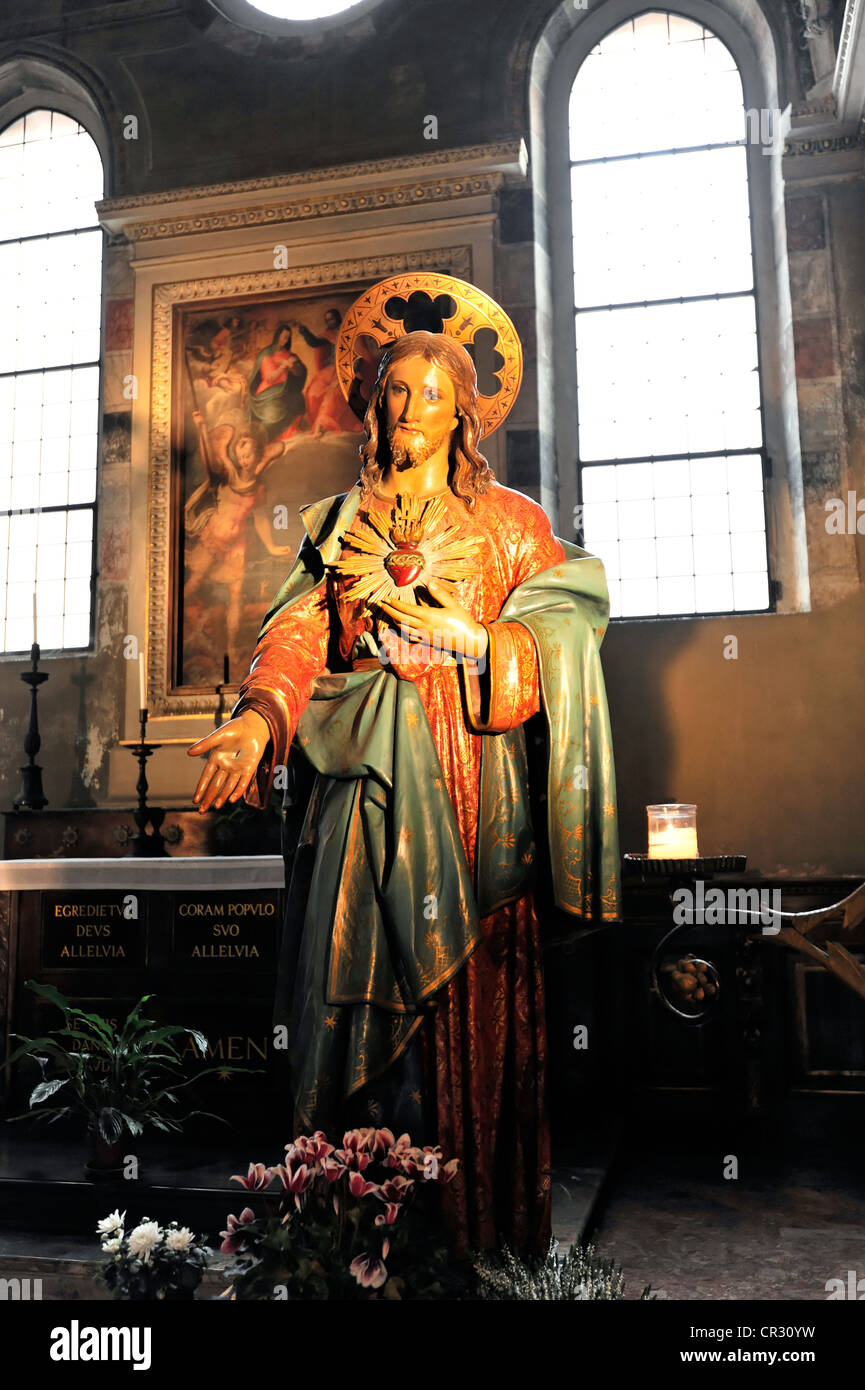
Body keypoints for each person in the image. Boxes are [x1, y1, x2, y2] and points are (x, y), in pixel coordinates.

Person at [188, 276, 619, 1258]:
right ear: (370, 404)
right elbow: (294, 631)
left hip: (471, 794)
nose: (406, 406)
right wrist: (258, 721)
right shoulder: (339, 525)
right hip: (362, 795)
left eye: (430, 392)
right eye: (390, 389)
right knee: (348, 998)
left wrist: (469, 638)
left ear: (466, 411)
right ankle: (351, 1237)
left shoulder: (511, 524)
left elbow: (566, 630)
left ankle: (465, 1241)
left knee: (458, 1011)